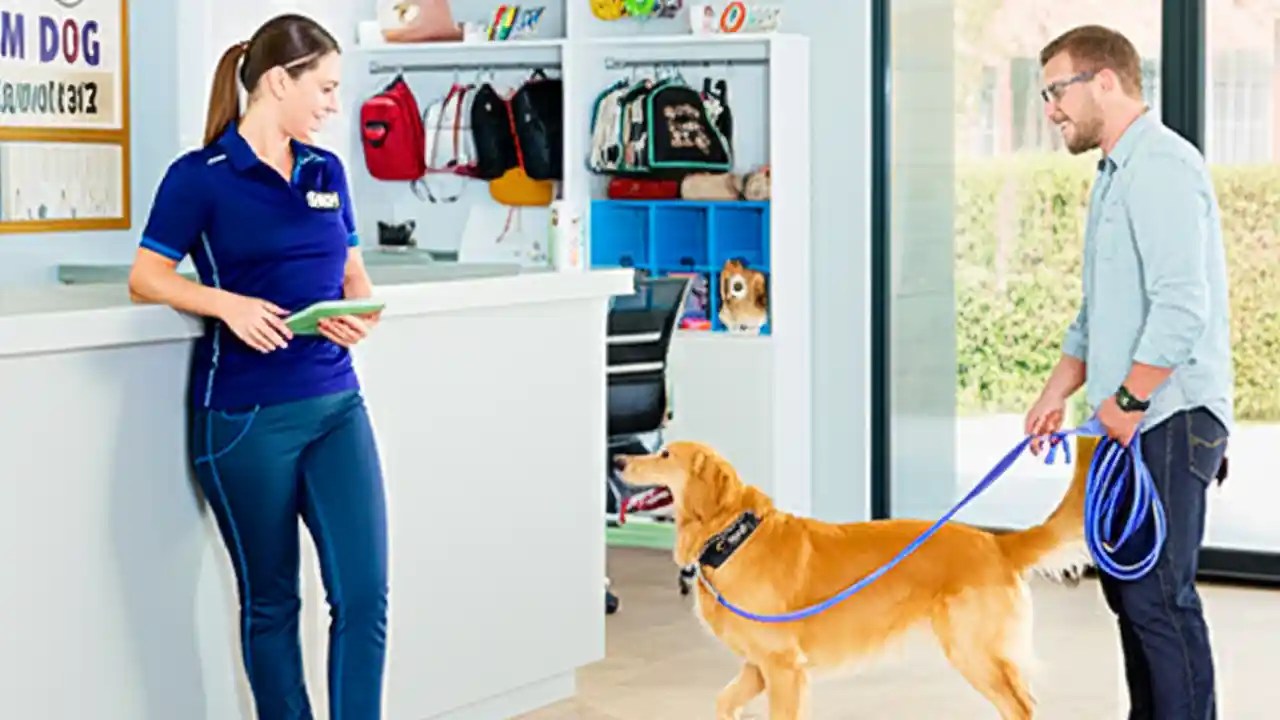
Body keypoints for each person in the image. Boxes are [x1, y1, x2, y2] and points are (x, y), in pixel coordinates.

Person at [127, 14, 389, 719]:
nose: (336, 104)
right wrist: (228, 306)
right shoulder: (200, 177)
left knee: (363, 596)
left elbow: (353, 272)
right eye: (326, 88)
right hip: (245, 421)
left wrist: (355, 310)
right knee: (273, 602)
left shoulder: (325, 169)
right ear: (280, 81)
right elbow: (147, 276)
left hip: (337, 404)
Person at [1025, 25, 1233, 720]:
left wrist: (1126, 399)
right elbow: (1098, 314)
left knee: (1160, 597)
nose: (1051, 108)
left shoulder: (1163, 166)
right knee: (1127, 592)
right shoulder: (1113, 177)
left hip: (1171, 415)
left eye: (1057, 90)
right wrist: (1056, 393)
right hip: (1131, 417)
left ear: (1105, 82)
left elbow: (1182, 306)